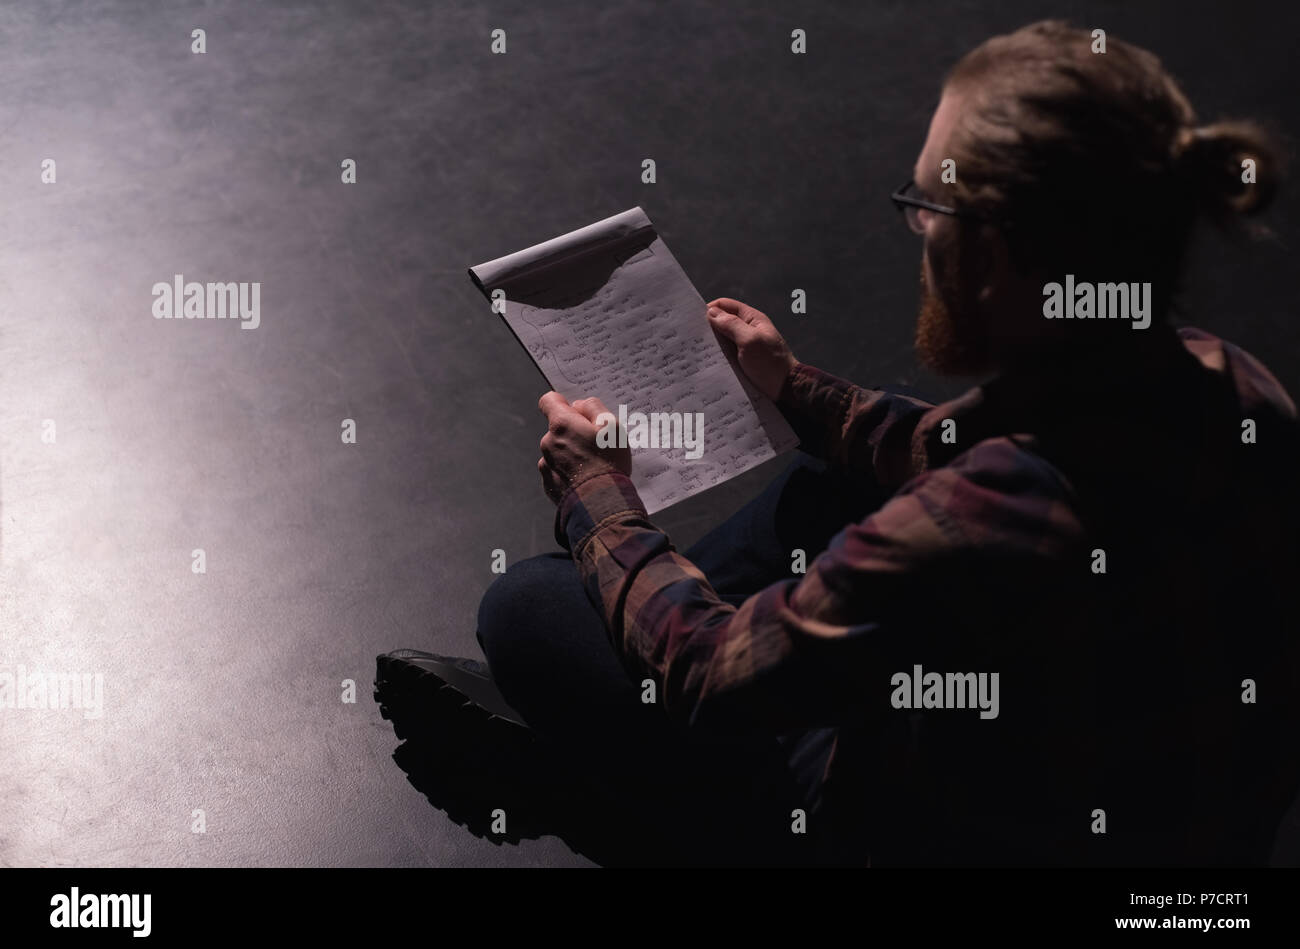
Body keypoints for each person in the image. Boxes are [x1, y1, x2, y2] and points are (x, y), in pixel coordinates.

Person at [378, 19, 1300, 865]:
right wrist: (794, 387)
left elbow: (712, 676)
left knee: (529, 605)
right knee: (826, 476)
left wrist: (598, 499)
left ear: (996, 251)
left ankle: (614, 767)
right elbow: (951, 446)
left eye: (924, 207)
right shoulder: (1232, 380)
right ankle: (632, 661)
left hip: (905, 832)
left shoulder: (981, 523)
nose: (918, 234)